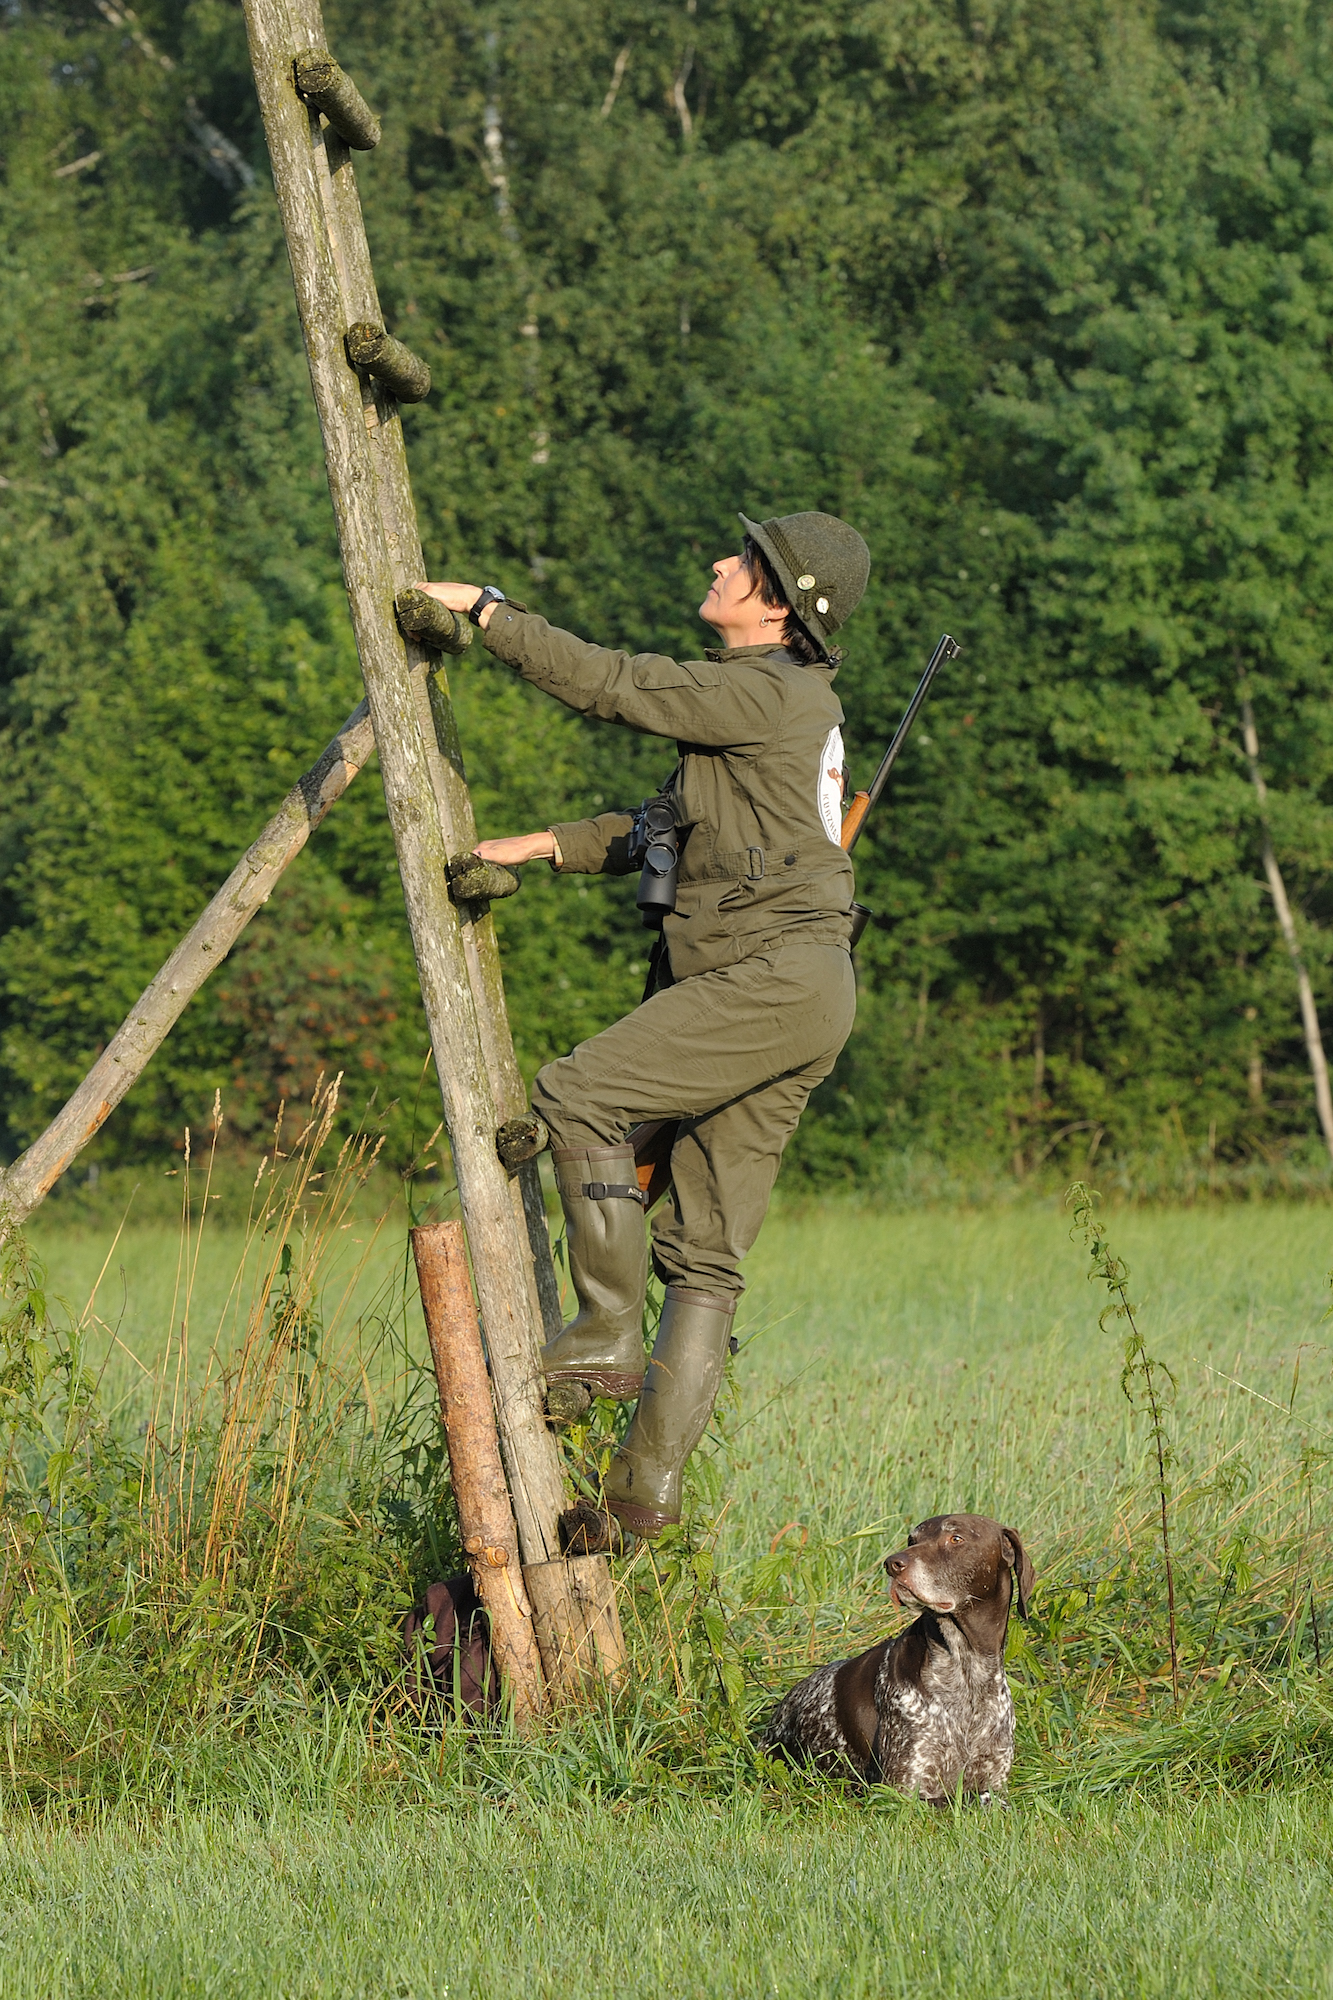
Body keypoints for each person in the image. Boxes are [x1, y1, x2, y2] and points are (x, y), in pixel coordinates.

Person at [419, 510, 869, 1539]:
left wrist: (490, 613)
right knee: (707, 1258)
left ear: (778, 601)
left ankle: (603, 1334)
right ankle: (637, 1502)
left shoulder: (762, 689)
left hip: (768, 975)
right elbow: (665, 829)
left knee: (577, 1092)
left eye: (741, 561)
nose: (718, 561)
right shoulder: (773, 705)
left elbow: (616, 683)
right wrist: (546, 845)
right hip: (803, 985)